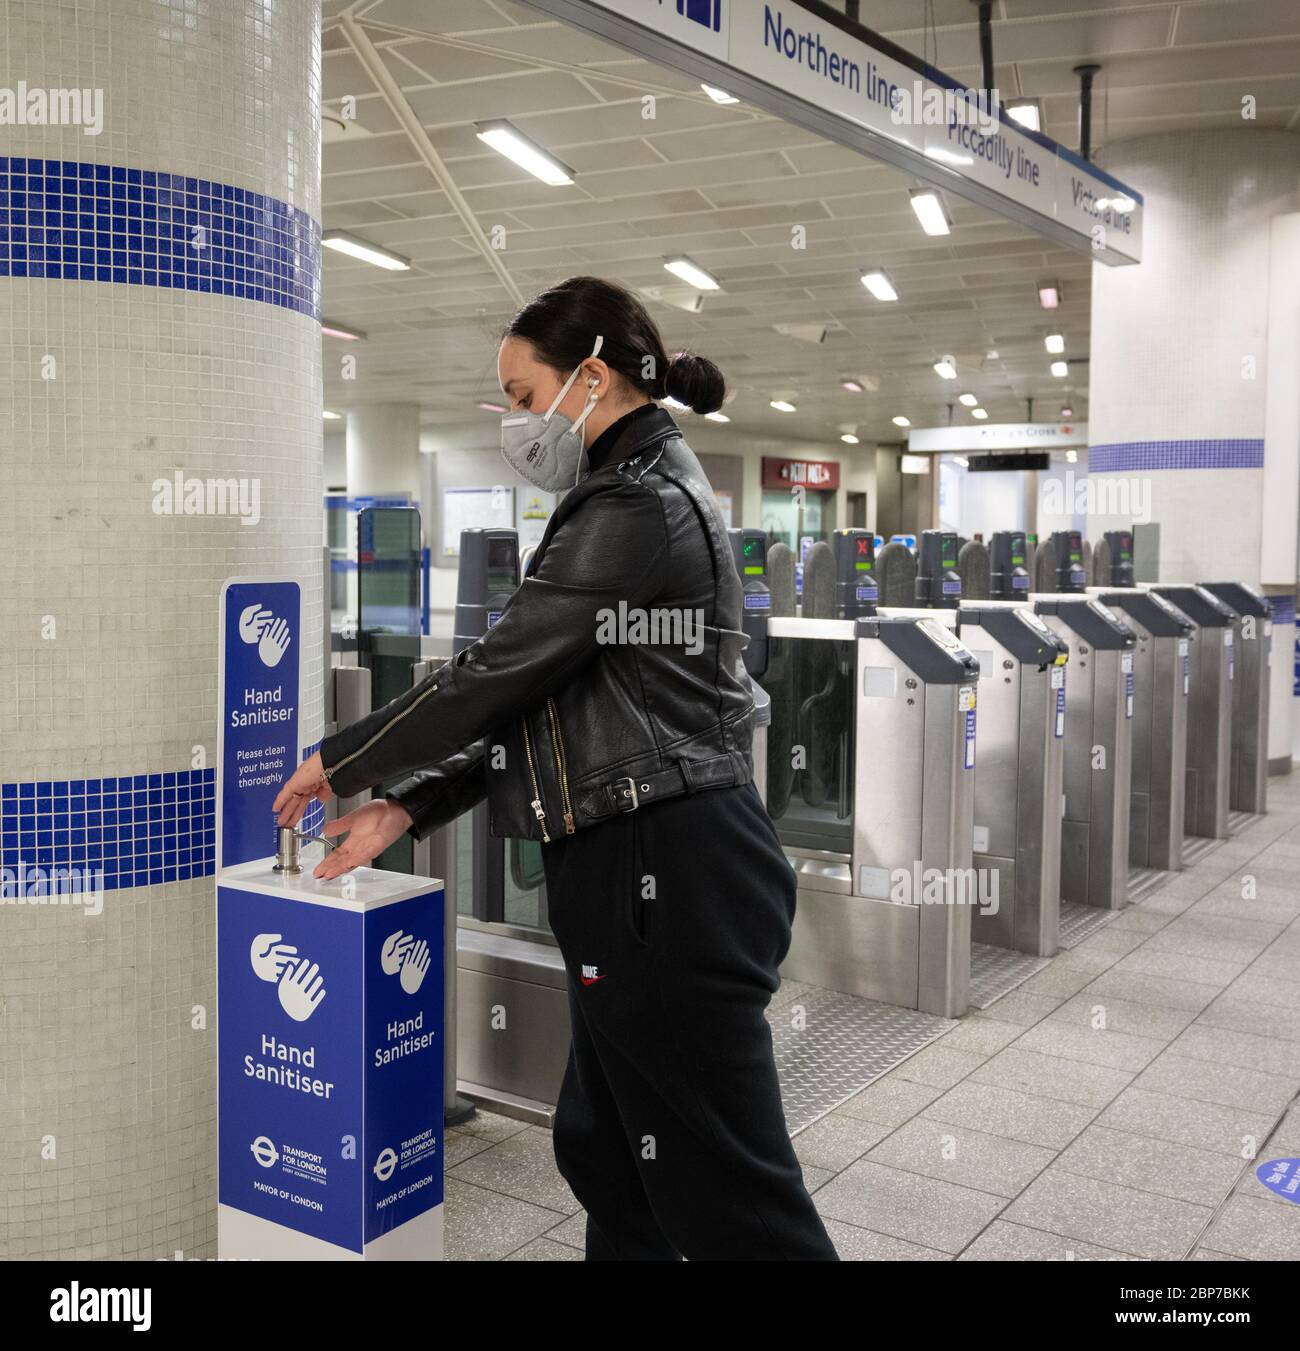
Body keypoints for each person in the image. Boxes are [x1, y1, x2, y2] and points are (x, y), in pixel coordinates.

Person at [274, 276, 838, 1262]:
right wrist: (406, 803)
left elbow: (498, 672)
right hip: (630, 865)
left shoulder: (639, 504)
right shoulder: (617, 493)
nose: (518, 424)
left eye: (525, 398)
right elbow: (545, 703)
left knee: (733, 1197)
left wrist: (343, 758)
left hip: (669, 867)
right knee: (610, 1153)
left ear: (591, 377)